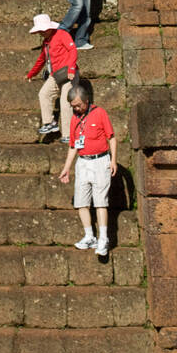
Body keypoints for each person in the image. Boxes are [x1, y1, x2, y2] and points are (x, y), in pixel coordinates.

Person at [58, 80, 117, 256]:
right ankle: (89, 236)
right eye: (73, 106)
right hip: (83, 162)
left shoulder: (100, 113)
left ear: (86, 101)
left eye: (78, 105)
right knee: (81, 201)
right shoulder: (74, 119)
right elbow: (73, 145)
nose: (76, 109)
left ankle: (103, 238)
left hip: (100, 161)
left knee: (100, 201)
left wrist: (113, 160)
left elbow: (111, 137)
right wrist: (66, 168)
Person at [26, 13, 78, 141]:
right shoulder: (46, 42)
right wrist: (31, 73)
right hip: (56, 74)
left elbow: (73, 50)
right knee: (44, 94)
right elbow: (41, 59)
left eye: (43, 29)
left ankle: (67, 135)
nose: (42, 32)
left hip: (68, 73)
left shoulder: (62, 34)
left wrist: (71, 69)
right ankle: (49, 123)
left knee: (65, 103)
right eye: (40, 31)